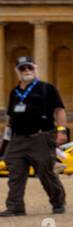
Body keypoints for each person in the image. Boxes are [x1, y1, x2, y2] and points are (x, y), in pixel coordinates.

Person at [2, 56, 66, 216]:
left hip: (41, 137)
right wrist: (5, 139)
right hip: (17, 139)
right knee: (15, 173)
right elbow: (10, 117)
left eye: (29, 67)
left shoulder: (46, 88)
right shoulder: (14, 92)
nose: (26, 71)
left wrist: (62, 130)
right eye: (22, 68)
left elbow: (59, 110)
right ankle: (15, 206)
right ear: (17, 71)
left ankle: (58, 202)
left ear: (34, 69)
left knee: (46, 172)